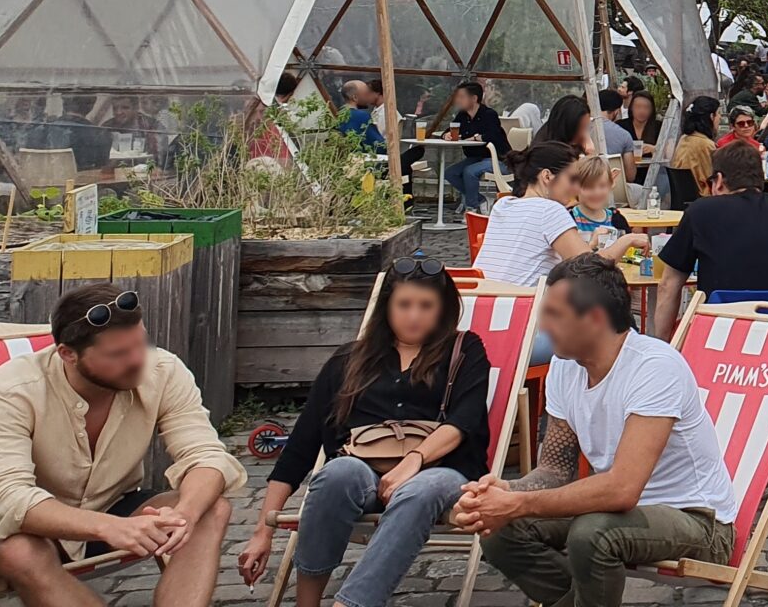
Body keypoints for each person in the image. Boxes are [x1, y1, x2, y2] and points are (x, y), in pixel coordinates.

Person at [461, 257, 736, 607]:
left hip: (697, 522)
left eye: (553, 314)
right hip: (616, 516)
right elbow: (555, 471)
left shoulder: (654, 368)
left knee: (592, 533)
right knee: (501, 530)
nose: (541, 324)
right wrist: (501, 493)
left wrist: (517, 502)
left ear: (594, 319)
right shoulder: (564, 365)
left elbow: (622, 489)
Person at [239, 259, 491, 606]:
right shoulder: (349, 360)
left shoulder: (464, 352)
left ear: (443, 309)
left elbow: (464, 421)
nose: (414, 316)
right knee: (336, 472)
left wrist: (413, 461)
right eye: (404, 305)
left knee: (419, 490)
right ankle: (306, 603)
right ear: (386, 306)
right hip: (364, 474)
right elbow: (301, 447)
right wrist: (261, 533)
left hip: (442, 472)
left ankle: (350, 604)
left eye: (426, 306)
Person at [0, 283, 245, 607]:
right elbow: (8, 499)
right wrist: (107, 527)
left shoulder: (161, 369)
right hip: (6, 531)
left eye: (141, 343)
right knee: (23, 551)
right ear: (67, 354)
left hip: (110, 508)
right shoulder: (9, 390)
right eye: (119, 354)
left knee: (210, 508)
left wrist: (186, 513)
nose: (137, 360)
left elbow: (205, 455)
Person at [475, 143, 646, 362]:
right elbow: (593, 269)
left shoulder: (503, 205)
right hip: (522, 334)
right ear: (547, 176)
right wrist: (627, 240)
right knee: (612, 328)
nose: (576, 188)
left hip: (483, 324)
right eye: (572, 179)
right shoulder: (550, 210)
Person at [656, 144, 768, 335]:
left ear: (720, 180)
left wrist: (663, 345)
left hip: (721, 334)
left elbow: (669, 285)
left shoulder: (702, 212)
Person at [441, 81, 506, 219]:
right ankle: (479, 199)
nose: (458, 100)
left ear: (474, 98)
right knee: (450, 173)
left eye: (462, 97)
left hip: (497, 158)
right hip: (475, 157)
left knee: (469, 171)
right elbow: (450, 129)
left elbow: (493, 135)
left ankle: (471, 210)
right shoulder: (462, 115)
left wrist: (476, 138)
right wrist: (445, 135)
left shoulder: (489, 114)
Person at [568, 155, 631, 242]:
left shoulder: (617, 220)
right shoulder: (568, 220)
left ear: (610, 185)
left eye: (602, 186)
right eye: (589, 187)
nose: (597, 192)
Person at [669, 95, 721, 192]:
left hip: (682, 195)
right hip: (702, 196)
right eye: (718, 114)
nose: (720, 118)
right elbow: (711, 177)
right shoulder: (705, 145)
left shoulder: (684, 139)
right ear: (711, 116)